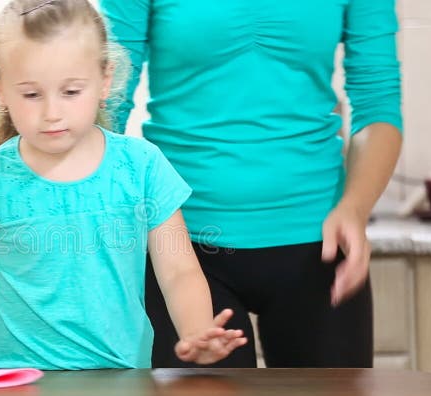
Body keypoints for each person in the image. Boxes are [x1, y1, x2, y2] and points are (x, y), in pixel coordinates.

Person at [0, 0, 247, 371]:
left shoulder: (142, 167)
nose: (52, 112)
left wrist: (195, 331)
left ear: (104, 80)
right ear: (1, 87)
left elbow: (178, 270)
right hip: (12, 383)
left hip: (121, 383)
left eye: (71, 91)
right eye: (31, 94)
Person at [98, 0, 403, 368]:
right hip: (178, 246)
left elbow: (377, 101)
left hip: (319, 242)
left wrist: (355, 207)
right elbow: (106, 99)